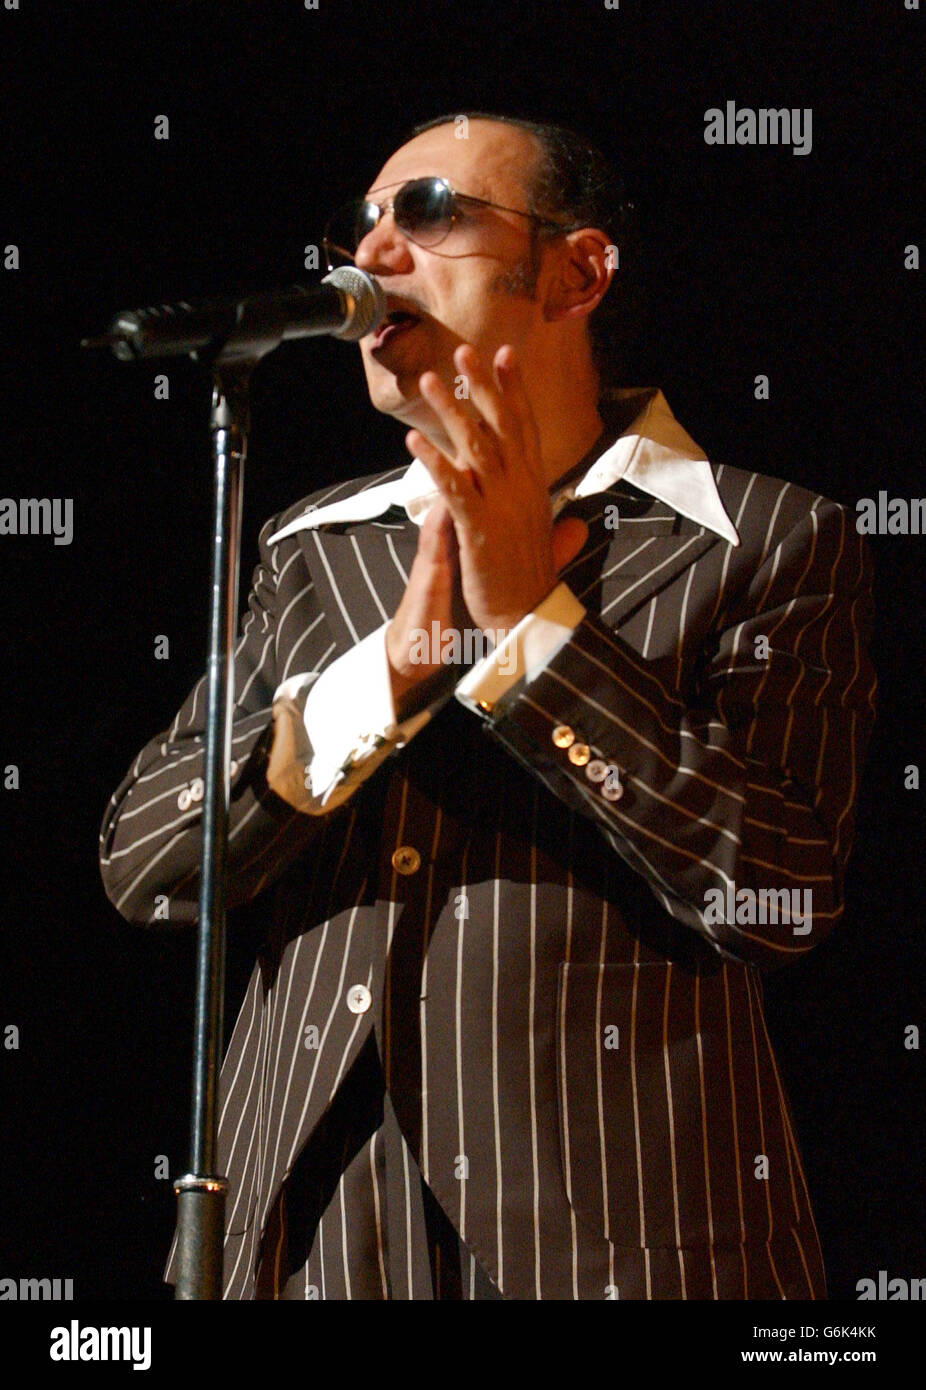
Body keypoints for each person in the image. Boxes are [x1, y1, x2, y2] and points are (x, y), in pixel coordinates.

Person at [99, 112, 876, 1300]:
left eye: (427, 212)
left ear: (576, 271)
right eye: (356, 227)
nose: (372, 252)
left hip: (618, 1248)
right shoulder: (313, 548)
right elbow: (143, 862)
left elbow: (777, 892)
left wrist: (534, 634)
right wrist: (384, 681)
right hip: (297, 1233)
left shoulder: (766, 537)